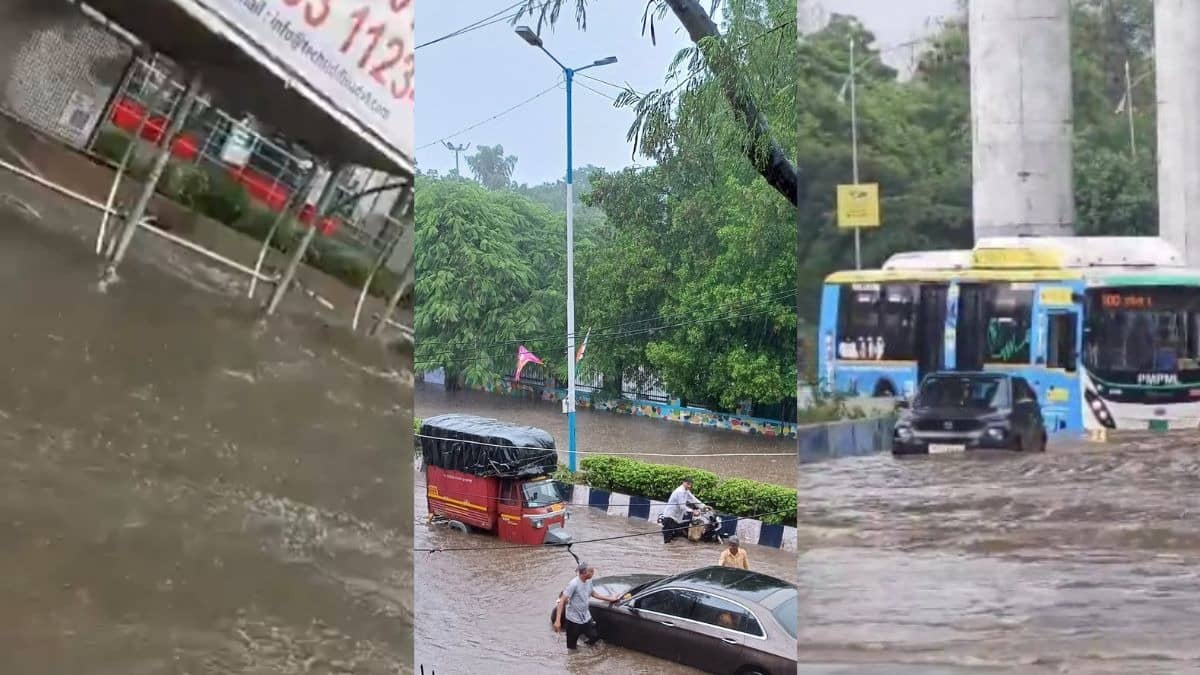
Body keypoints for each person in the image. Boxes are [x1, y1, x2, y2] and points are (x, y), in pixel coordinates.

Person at [553, 562, 620, 650]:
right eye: (591, 571)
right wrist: (557, 621)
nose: (593, 573)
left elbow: (593, 594)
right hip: (573, 620)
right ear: (584, 572)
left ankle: (585, 648)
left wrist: (610, 599)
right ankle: (575, 661)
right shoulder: (573, 584)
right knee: (571, 647)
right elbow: (562, 601)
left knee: (594, 636)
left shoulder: (589, 582)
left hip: (586, 617)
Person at [662, 477, 702, 543]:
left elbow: (693, 499)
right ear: (683, 482)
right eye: (688, 484)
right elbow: (682, 506)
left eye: (690, 485)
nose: (689, 486)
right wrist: (693, 511)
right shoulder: (679, 491)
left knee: (676, 534)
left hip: (676, 517)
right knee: (667, 539)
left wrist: (703, 506)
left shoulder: (686, 491)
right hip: (670, 516)